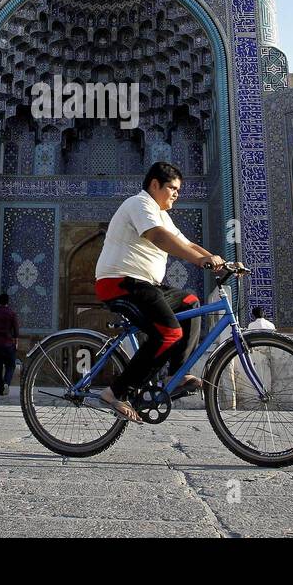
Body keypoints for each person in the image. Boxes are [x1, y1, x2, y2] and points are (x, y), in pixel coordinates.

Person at [94, 161, 226, 424]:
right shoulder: (139, 204)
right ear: (154, 185)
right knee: (169, 332)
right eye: (172, 188)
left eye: (178, 190)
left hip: (146, 285)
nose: (176, 194)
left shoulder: (161, 214)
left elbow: (185, 243)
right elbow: (159, 238)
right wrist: (199, 261)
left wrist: (216, 259)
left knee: (190, 303)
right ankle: (116, 391)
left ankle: (175, 376)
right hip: (121, 282)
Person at [0, 292, 20, 397]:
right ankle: (6, 383)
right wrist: (16, 343)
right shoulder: (12, 313)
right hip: (8, 344)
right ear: (8, 302)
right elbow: (16, 330)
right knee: (11, 366)